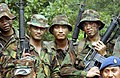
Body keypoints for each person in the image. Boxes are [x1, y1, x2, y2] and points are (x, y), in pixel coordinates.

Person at [0, 3, 19, 78]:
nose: (5, 23)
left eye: (7, 19)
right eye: (1, 21)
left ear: (11, 18)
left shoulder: (23, 39)